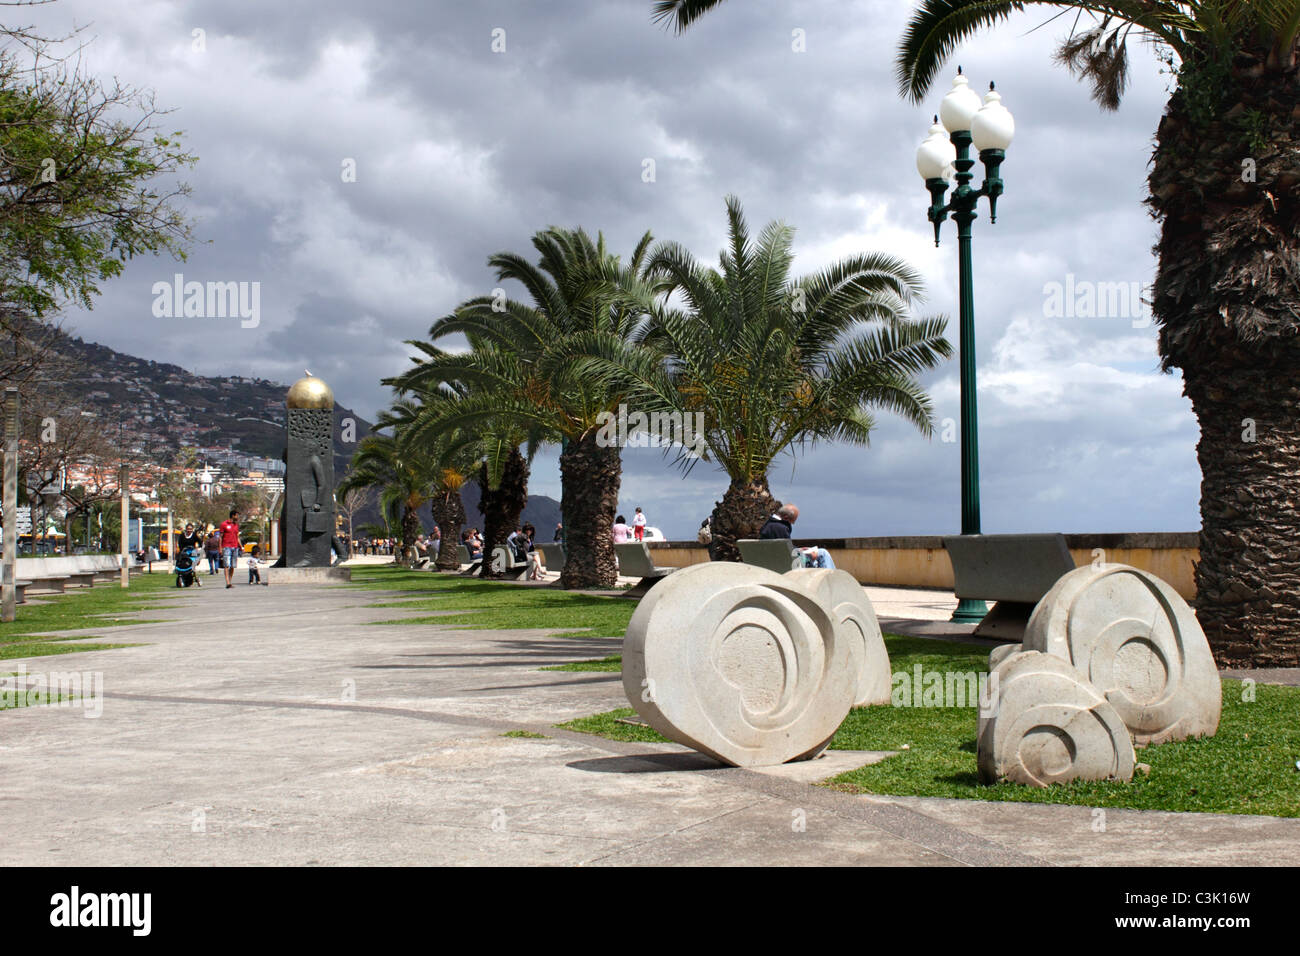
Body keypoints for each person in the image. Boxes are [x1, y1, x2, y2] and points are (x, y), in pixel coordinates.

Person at [759, 503, 836, 569]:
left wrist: (800, 549)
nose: (792, 524)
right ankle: (831, 579)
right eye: (792, 522)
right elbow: (788, 554)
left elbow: (784, 548)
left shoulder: (770, 524)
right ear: (786, 518)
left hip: (778, 559)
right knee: (823, 553)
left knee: (820, 552)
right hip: (788, 562)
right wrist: (808, 555)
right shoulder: (780, 528)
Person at [219, 509, 241, 589]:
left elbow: (237, 537)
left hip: (235, 547)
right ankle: (227, 582)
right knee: (226, 565)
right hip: (226, 547)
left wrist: (241, 546)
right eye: (237, 515)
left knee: (233, 565)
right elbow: (220, 537)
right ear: (233, 515)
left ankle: (230, 581)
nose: (238, 517)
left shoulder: (236, 525)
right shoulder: (224, 524)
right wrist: (220, 548)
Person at [177, 523, 204, 588]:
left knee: (192, 565)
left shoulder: (194, 535)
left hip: (192, 552)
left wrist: (199, 549)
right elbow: (180, 544)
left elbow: (200, 542)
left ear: (192, 529)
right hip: (184, 552)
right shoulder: (182, 536)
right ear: (186, 529)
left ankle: (194, 577)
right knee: (181, 563)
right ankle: (181, 577)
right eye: (188, 529)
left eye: (190, 529)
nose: (189, 530)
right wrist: (182, 550)